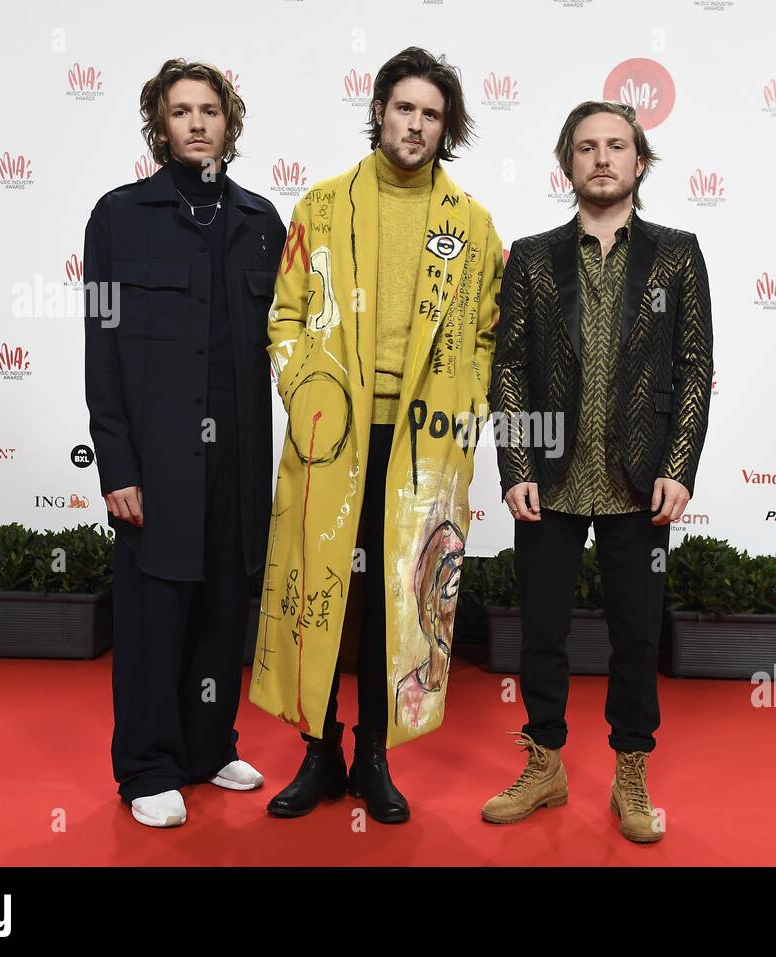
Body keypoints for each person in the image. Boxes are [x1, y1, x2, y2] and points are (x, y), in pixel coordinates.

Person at [252, 47, 503, 825]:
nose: (416, 125)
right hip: (336, 433)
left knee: (399, 596)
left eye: (432, 114)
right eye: (405, 108)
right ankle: (319, 749)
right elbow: (285, 315)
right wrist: (305, 396)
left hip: (422, 438)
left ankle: (374, 755)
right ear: (380, 111)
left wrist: (466, 408)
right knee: (323, 583)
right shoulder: (321, 207)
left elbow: (489, 335)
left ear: (446, 128)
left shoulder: (474, 226)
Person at [484, 101, 713, 843]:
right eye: (587, 147)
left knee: (636, 634)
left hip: (638, 481)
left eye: (617, 146)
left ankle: (630, 770)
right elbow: (510, 364)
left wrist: (679, 465)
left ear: (638, 162)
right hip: (550, 477)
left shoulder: (678, 254)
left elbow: (694, 366)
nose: (603, 158)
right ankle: (544, 762)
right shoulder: (532, 255)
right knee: (542, 630)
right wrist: (516, 458)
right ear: (567, 164)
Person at [83, 59, 283, 827]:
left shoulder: (262, 220)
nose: (197, 122)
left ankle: (207, 746)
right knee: (153, 616)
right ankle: (146, 767)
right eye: (180, 111)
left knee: (223, 607)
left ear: (228, 123)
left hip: (237, 457)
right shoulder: (118, 216)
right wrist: (117, 462)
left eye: (209, 110)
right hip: (156, 460)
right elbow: (102, 349)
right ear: (158, 125)